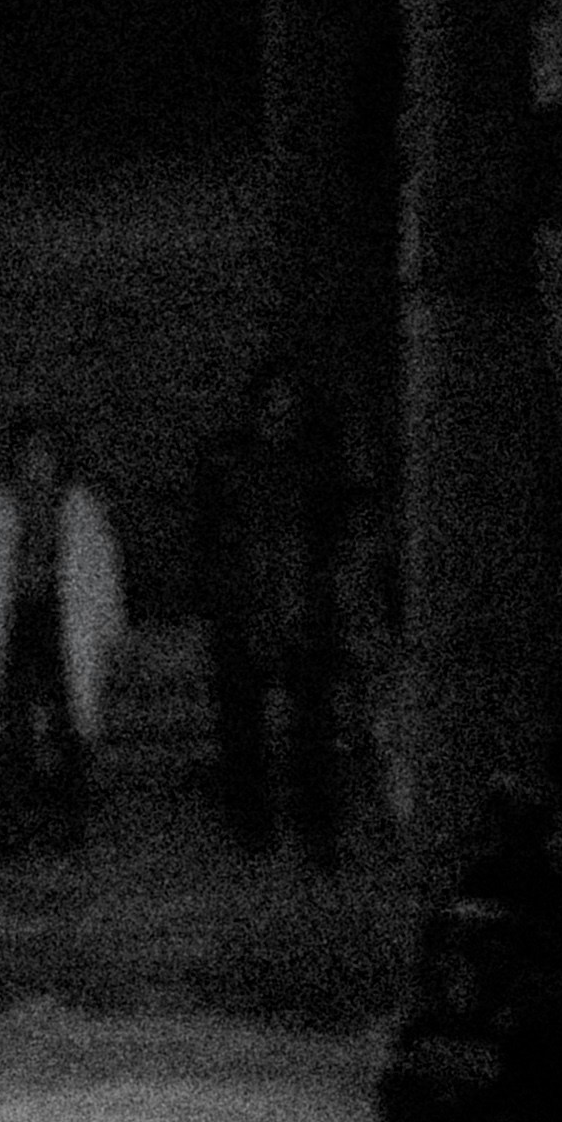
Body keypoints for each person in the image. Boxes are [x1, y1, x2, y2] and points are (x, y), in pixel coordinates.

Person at [190, 354, 353, 863]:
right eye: (273, 400)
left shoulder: (315, 463)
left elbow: (330, 535)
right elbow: (209, 534)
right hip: (245, 602)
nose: (281, 411)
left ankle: (312, 821)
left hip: (299, 600)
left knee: (310, 723)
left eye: (289, 401)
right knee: (244, 723)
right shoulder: (229, 461)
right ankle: (252, 821)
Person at [0, 408, 126, 851]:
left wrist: (111, 633)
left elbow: (104, 576)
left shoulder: (81, 508)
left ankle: (68, 821)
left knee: (70, 723)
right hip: (13, 626)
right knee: (12, 721)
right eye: (30, 453)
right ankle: (12, 822)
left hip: (66, 625)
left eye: (46, 453)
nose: (38, 463)